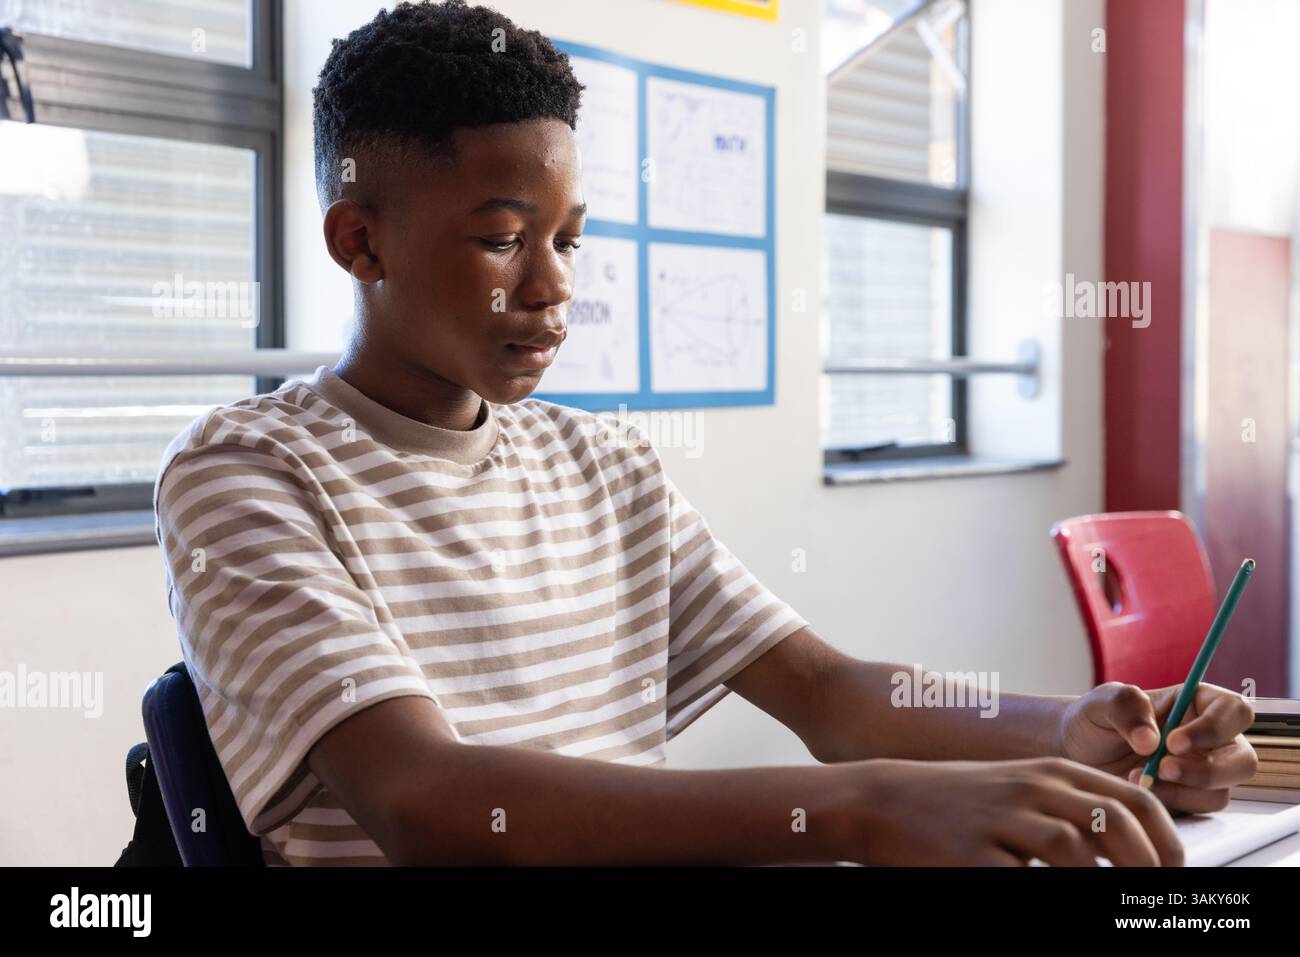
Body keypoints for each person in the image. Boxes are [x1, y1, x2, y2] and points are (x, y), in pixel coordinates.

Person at [153, 0, 1256, 866]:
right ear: (361, 242)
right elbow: (431, 806)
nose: (549, 289)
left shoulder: (602, 462)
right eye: (500, 240)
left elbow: (828, 694)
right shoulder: (247, 475)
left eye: (569, 241)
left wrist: (1068, 727)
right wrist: (860, 810)